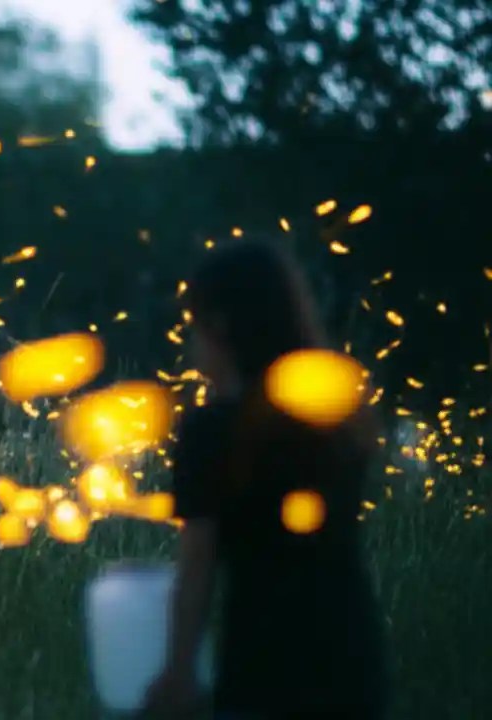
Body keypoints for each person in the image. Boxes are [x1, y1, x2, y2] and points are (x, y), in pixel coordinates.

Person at [142, 240, 389, 719]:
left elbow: (198, 564)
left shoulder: (214, 429)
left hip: (265, 672)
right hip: (354, 663)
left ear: (219, 325)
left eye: (193, 327)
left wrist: (177, 673)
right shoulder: (336, 417)